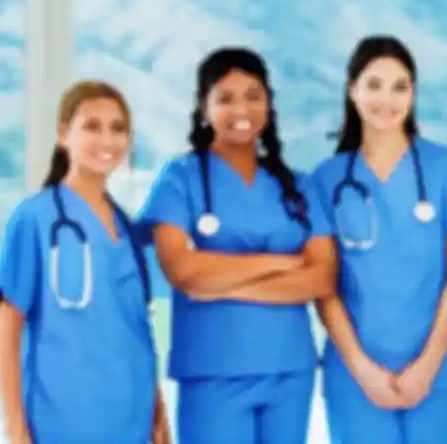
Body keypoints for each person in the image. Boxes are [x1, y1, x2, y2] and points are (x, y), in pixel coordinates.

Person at [140, 48, 336, 444]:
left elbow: (322, 277)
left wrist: (221, 282)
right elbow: (184, 273)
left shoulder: (298, 186)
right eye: (225, 98)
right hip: (213, 370)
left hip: (289, 369)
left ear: (269, 103)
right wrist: (279, 263)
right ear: (203, 107)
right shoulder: (180, 179)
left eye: (253, 95)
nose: (241, 108)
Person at [311, 36, 447, 444]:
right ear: (352, 90)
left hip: (437, 370)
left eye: (400, 86)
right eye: (374, 85)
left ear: (413, 94)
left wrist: (426, 367)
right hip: (355, 375)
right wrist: (362, 369)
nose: (386, 100)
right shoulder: (326, 180)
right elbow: (325, 288)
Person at [0, 81, 169, 444]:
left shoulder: (127, 228)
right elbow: (8, 324)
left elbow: (138, 329)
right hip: (62, 418)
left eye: (118, 128)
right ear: (64, 135)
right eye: (92, 126)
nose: (107, 140)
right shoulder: (35, 219)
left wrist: (158, 412)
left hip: (132, 417)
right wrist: (14, 428)